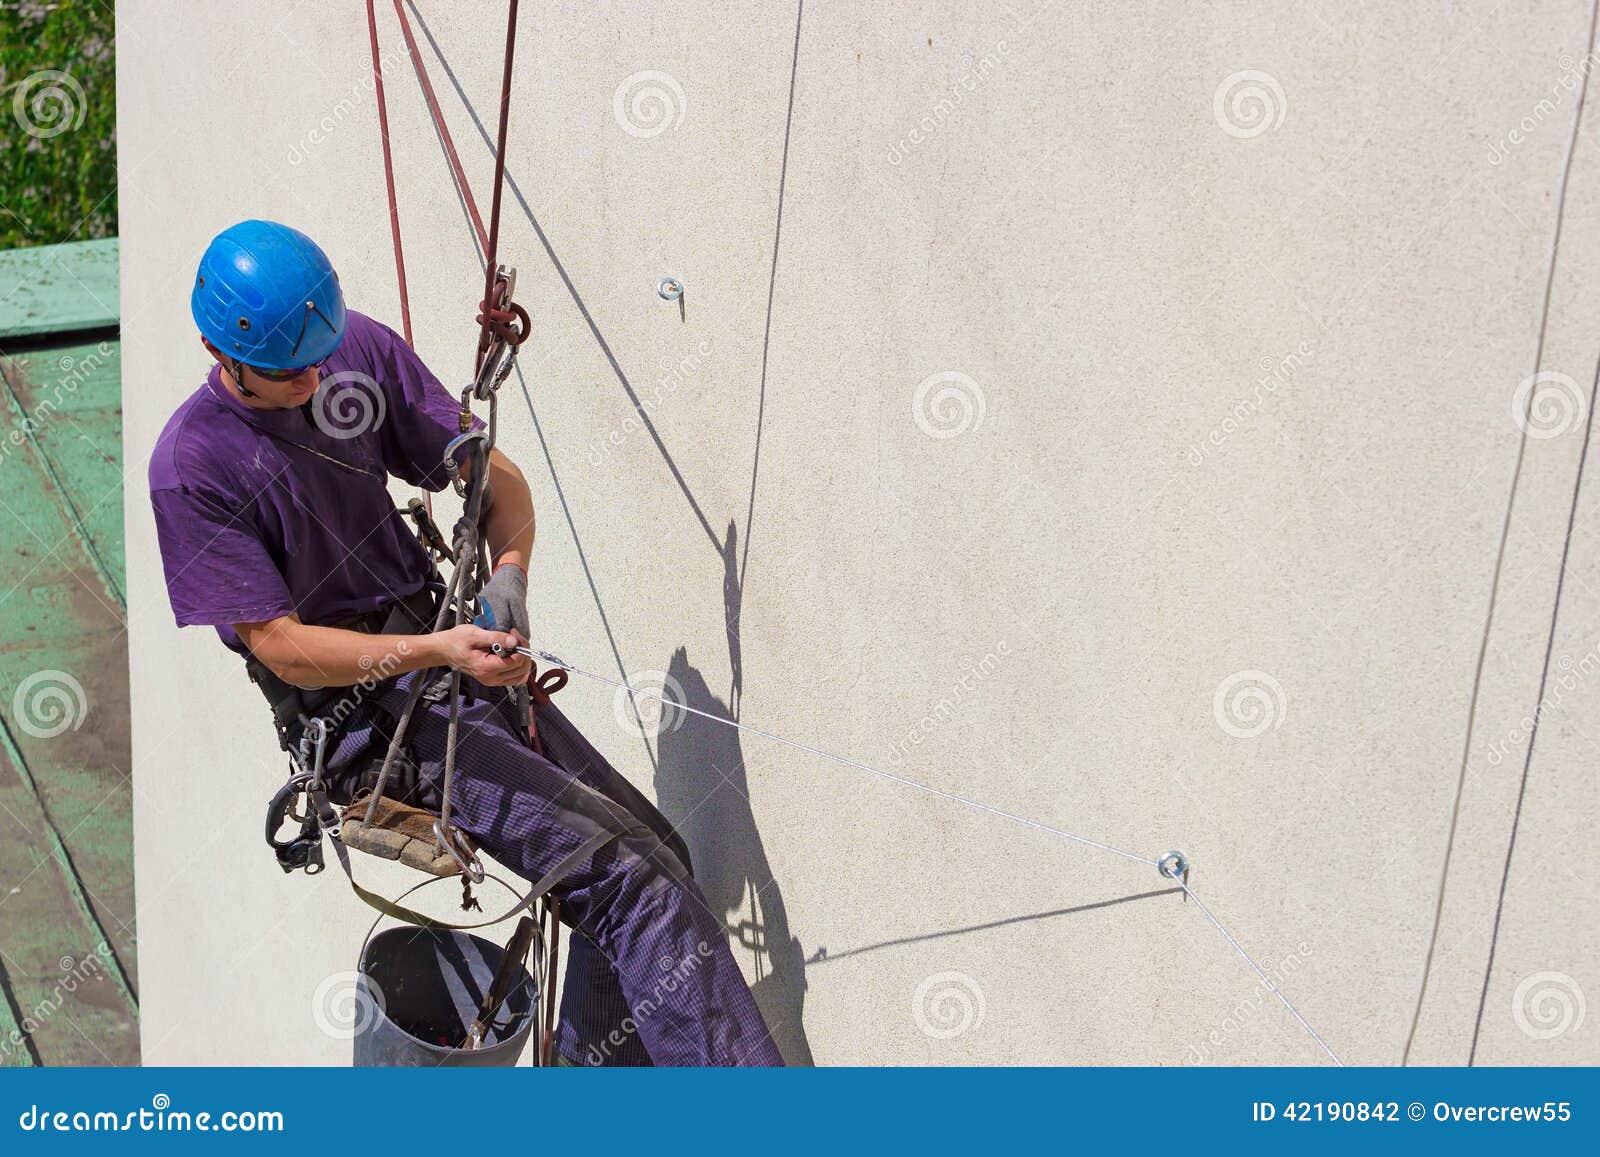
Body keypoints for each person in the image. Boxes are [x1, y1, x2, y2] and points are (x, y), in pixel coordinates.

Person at [148, 218, 782, 1066]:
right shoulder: (194, 464)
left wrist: (510, 570)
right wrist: (436, 652)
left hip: (446, 671)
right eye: (284, 369)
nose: (308, 379)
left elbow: (493, 477)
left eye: (317, 357)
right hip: (369, 728)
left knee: (653, 856)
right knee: (634, 885)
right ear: (217, 349)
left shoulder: (353, 355)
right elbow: (280, 645)